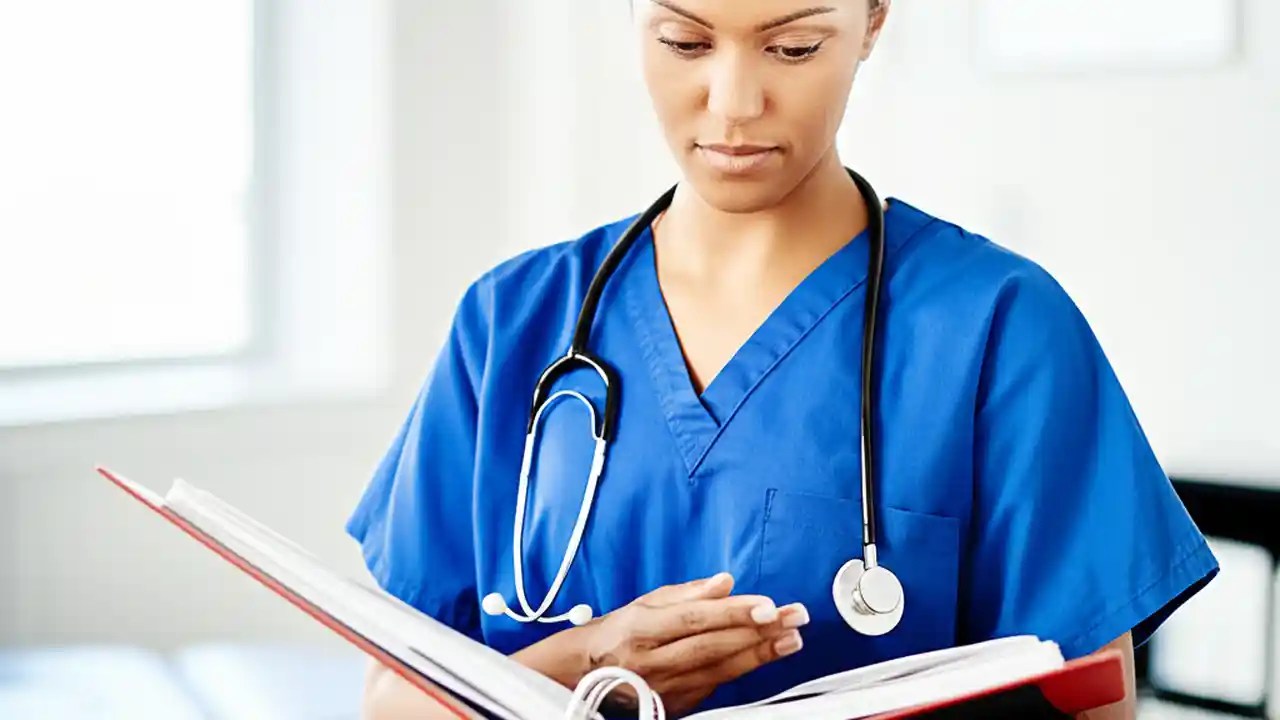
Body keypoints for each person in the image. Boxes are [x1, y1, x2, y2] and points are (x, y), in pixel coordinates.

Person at [349, 1, 1219, 717]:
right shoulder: (509, 323)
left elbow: (1091, 702)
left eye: (794, 47)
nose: (733, 103)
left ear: (873, 21)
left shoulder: (1000, 328)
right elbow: (390, 701)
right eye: (684, 41)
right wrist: (590, 667)